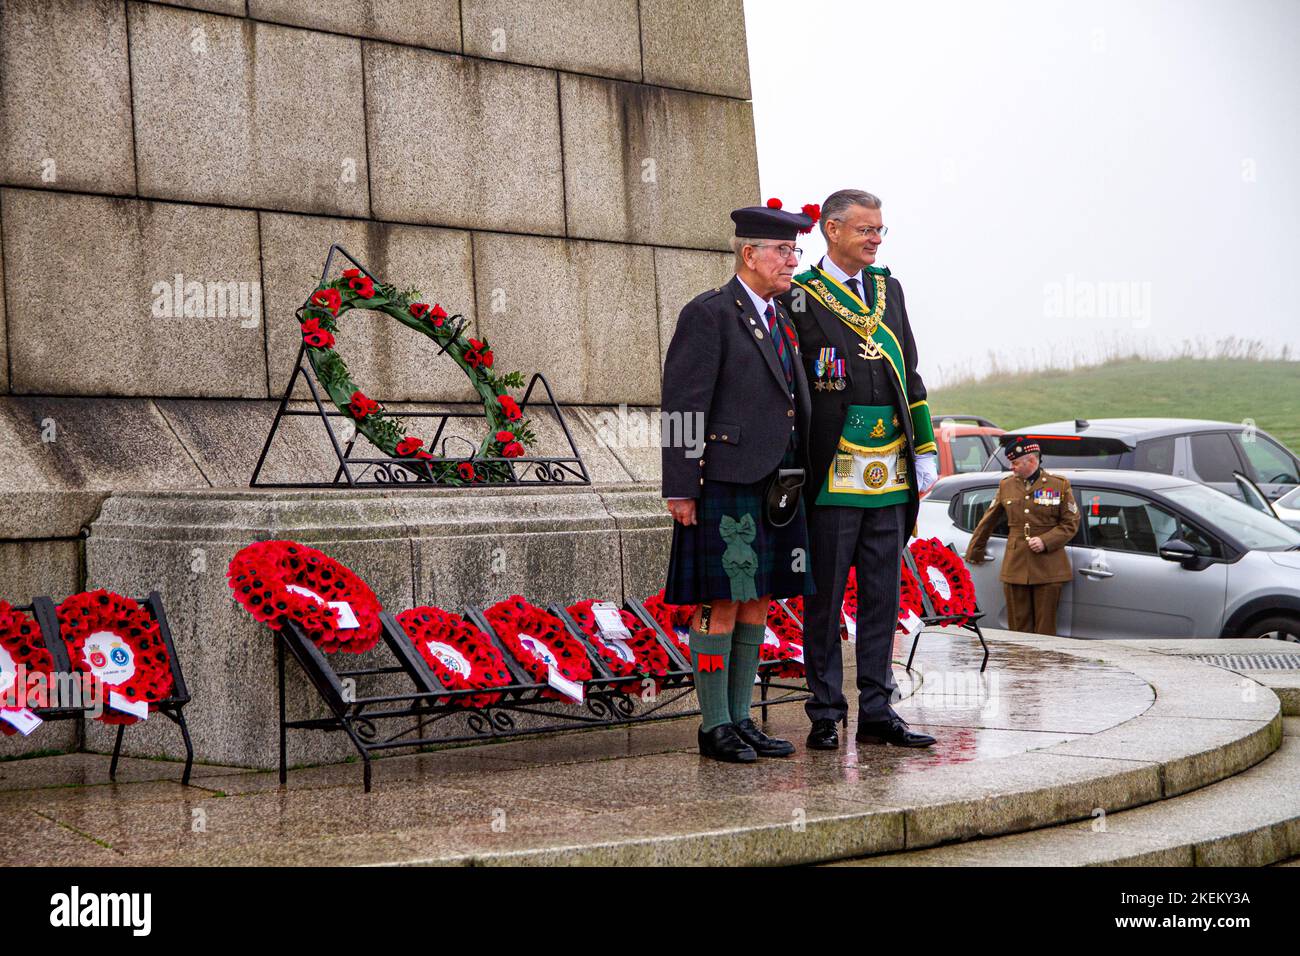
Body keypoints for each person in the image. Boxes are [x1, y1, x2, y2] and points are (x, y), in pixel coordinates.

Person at [781, 189, 939, 751]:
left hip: (890, 468)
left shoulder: (887, 289)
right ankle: (825, 711)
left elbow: (910, 373)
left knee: (881, 595)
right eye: (865, 230)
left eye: (880, 231)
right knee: (823, 600)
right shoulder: (798, 296)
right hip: (830, 469)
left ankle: (877, 709)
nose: (875, 239)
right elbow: (789, 386)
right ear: (831, 230)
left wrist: (923, 447)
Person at [660, 201, 815, 763]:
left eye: (795, 250)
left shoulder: (782, 318)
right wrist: (681, 486)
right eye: (782, 250)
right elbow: (682, 405)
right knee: (720, 601)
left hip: (777, 485)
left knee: (758, 601)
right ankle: (713, 724)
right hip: (725, 480)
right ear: (749, 254)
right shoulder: (709, 314)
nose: (791, 261)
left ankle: (742, 717)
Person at [965, 441, 1080, 635]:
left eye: (1015, 463)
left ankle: (1042, 664)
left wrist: (1046, 540)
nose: (1011, 467)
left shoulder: (1058, 485)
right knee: (1017, 628)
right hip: (1016, 564)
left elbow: (1071, 522)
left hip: (1049, 567)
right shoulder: (1006, 485)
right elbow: (988, 521)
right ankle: (1019, 664)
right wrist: (974, 551)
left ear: (1032, 461)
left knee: (1045, 628)